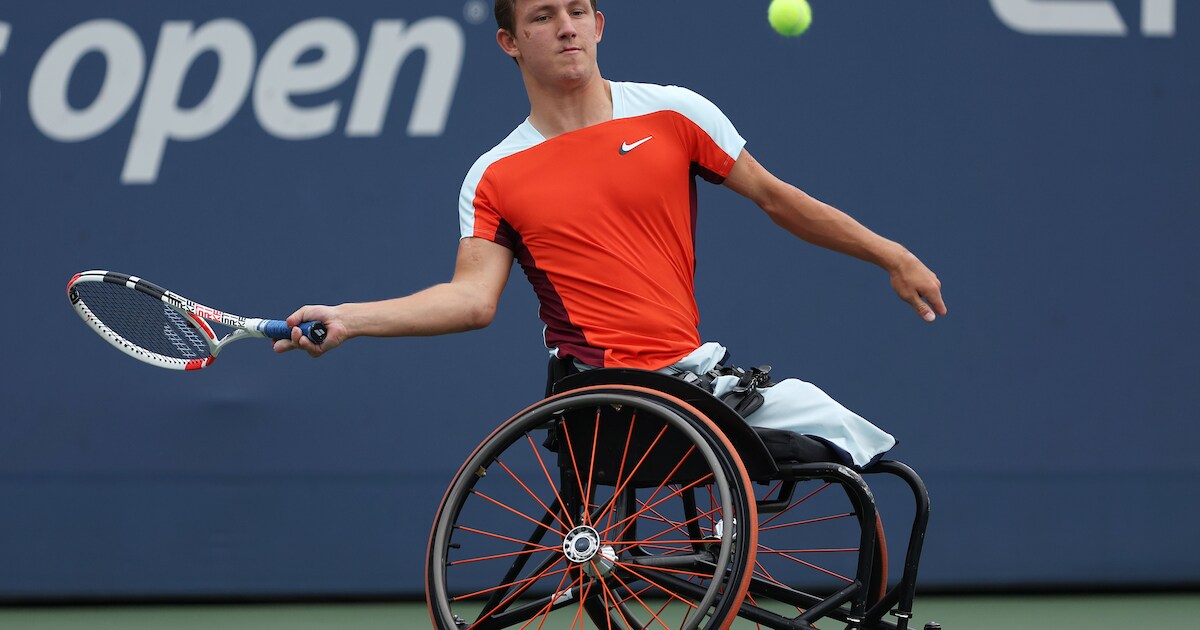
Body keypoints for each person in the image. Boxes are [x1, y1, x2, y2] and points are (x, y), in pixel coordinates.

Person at [274, 0, 946, 467]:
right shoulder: (494, 175)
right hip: (602, 401)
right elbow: (471, 300)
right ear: (510, 42)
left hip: (693, 385)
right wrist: (352, 318)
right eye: (542, 16)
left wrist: (890, 253)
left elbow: (777, 199)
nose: (565, 28)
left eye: (576, 13)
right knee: (853, 454)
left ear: (598, 25)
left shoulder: (675, 113)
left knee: (860, 448)